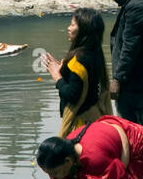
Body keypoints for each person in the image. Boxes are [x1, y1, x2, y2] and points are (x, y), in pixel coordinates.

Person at [44, 8, 112, 138]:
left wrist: (57, 76)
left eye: (73, 24)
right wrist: (63, 71)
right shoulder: (95, 52)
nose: (68, 28)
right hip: (94, 115)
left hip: (81, 124)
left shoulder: (78, 60)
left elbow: (72, 95)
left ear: (84, 30)